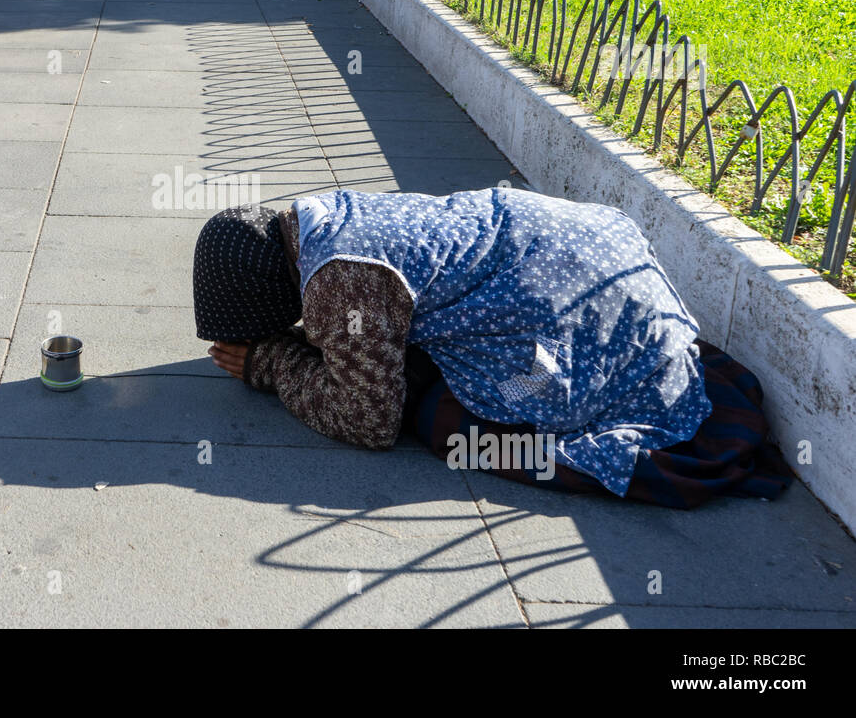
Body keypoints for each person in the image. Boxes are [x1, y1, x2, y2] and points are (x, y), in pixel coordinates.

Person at [195, 190, 793, 508]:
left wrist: (268, 362)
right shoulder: (326, 218)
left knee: (440, 417)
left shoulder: (341, 282)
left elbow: (368, 420)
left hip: (585, 323)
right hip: (599, 266)